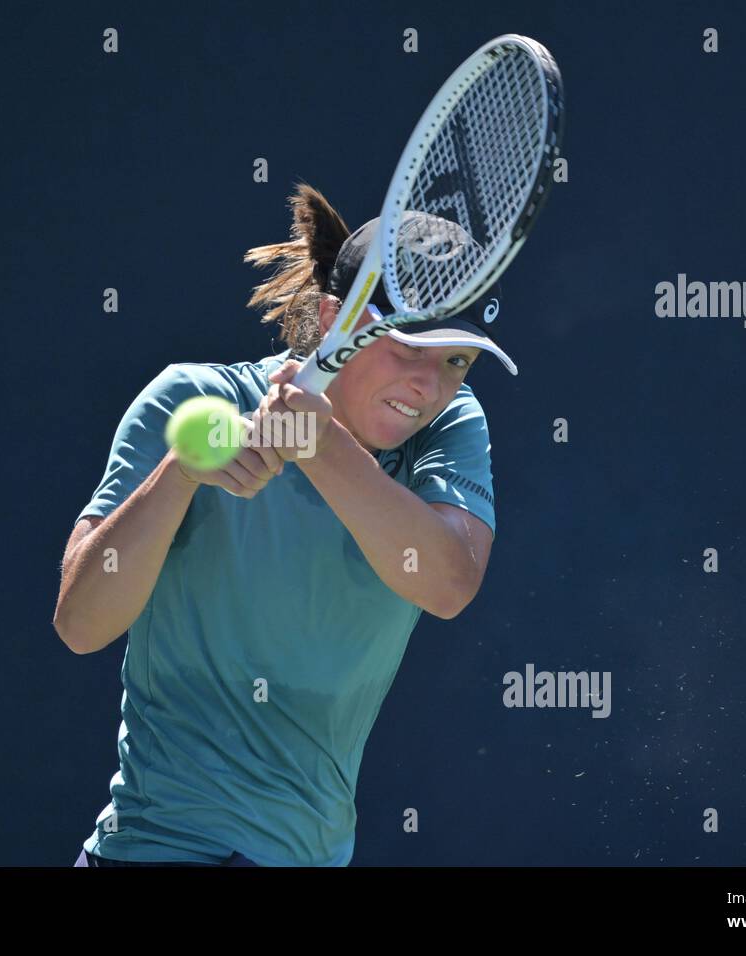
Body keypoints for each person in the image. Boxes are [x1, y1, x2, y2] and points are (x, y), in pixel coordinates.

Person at [55, 183, 519, 867]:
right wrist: (178, 475)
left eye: (455, 359)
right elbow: (81, 624)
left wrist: (321, 444)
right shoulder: (193, 399)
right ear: (338, 318)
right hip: (154, 851)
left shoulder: (449, 425)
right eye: (406, 346)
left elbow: (447, 582)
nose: (428, 384)